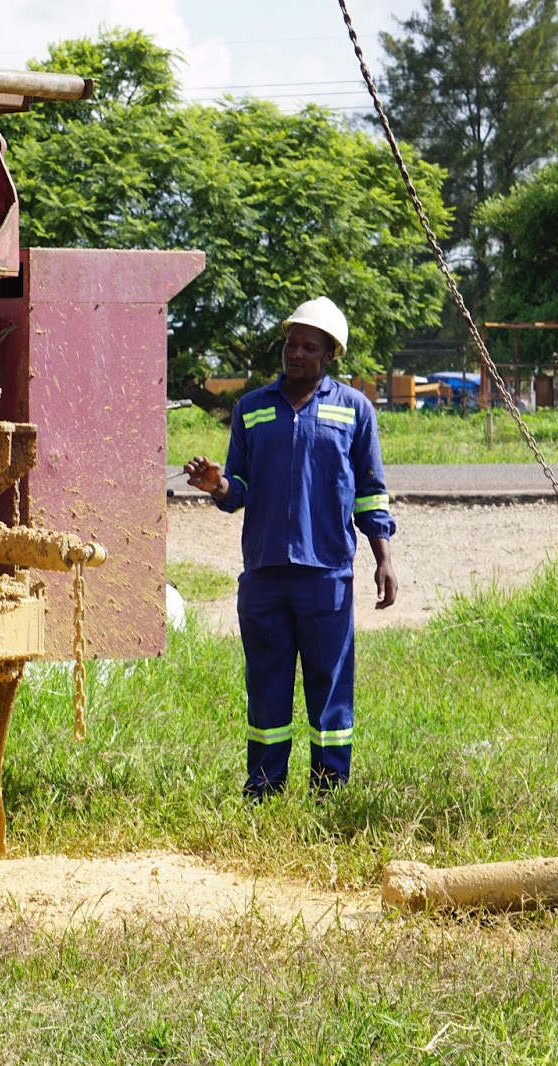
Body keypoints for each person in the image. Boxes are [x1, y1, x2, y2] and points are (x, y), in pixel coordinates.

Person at [183, 297, 397, 799]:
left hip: (326, 576)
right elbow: (237, 489)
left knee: (330, 689)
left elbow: (370, 491)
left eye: (308, 346)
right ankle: (264, 789)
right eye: (290, 342)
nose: (295, 353)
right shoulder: (252, 409)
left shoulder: (354, 410)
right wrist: (218, 485)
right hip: (263, 576)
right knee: (267, 686)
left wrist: (383, 557)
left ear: (330, 356)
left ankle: (330, 791)